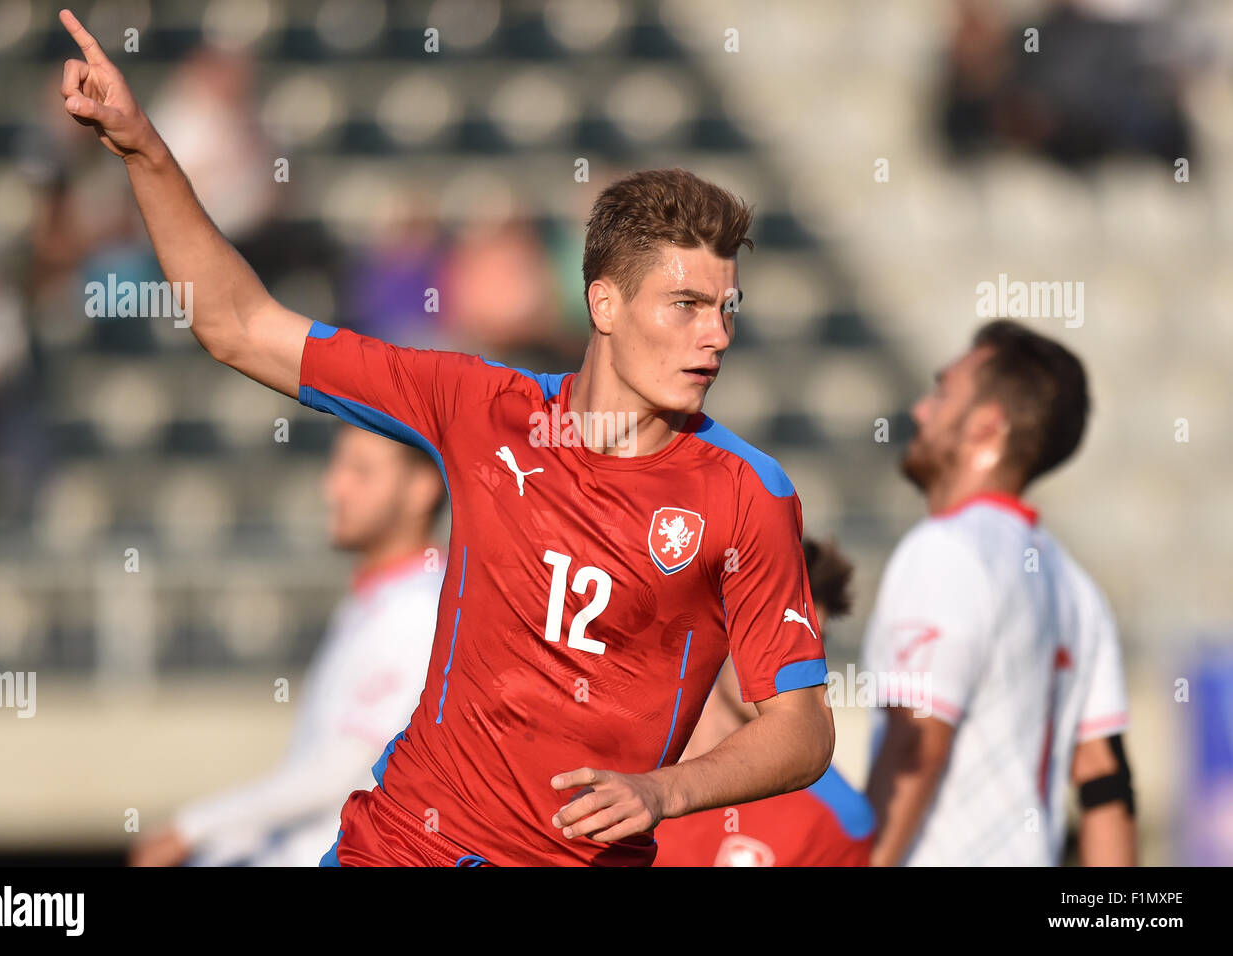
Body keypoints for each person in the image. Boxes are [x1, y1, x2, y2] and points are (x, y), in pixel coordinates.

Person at [58, 10, 833, 867]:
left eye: (726, 309)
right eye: (685, 306)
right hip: (397, 848)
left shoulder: (746, 495)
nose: (716, 335)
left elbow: (802, 729)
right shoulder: (479, 406)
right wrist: (143, 151)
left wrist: (664, 790)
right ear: (603, 304)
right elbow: (241, 324)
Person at [861, 320, 1135, 866]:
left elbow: (916, 747)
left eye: (941, 393)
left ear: (986, 427)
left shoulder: (944, 550)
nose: (920, 410)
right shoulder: (1078, 588)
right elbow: (1105, 783)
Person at [130, 426, 445, 866]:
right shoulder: (380, 601)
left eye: (361, 471)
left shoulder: (418, 610)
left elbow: (339, 772)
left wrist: (192, 828)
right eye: (337, 466)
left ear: (421, 489)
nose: (333, 485)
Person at [654, 538, 874, 866]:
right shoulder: (618, 753)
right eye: (778, 633)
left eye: (811, 645)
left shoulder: (833, 818)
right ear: (721, 620)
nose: (795, 663)